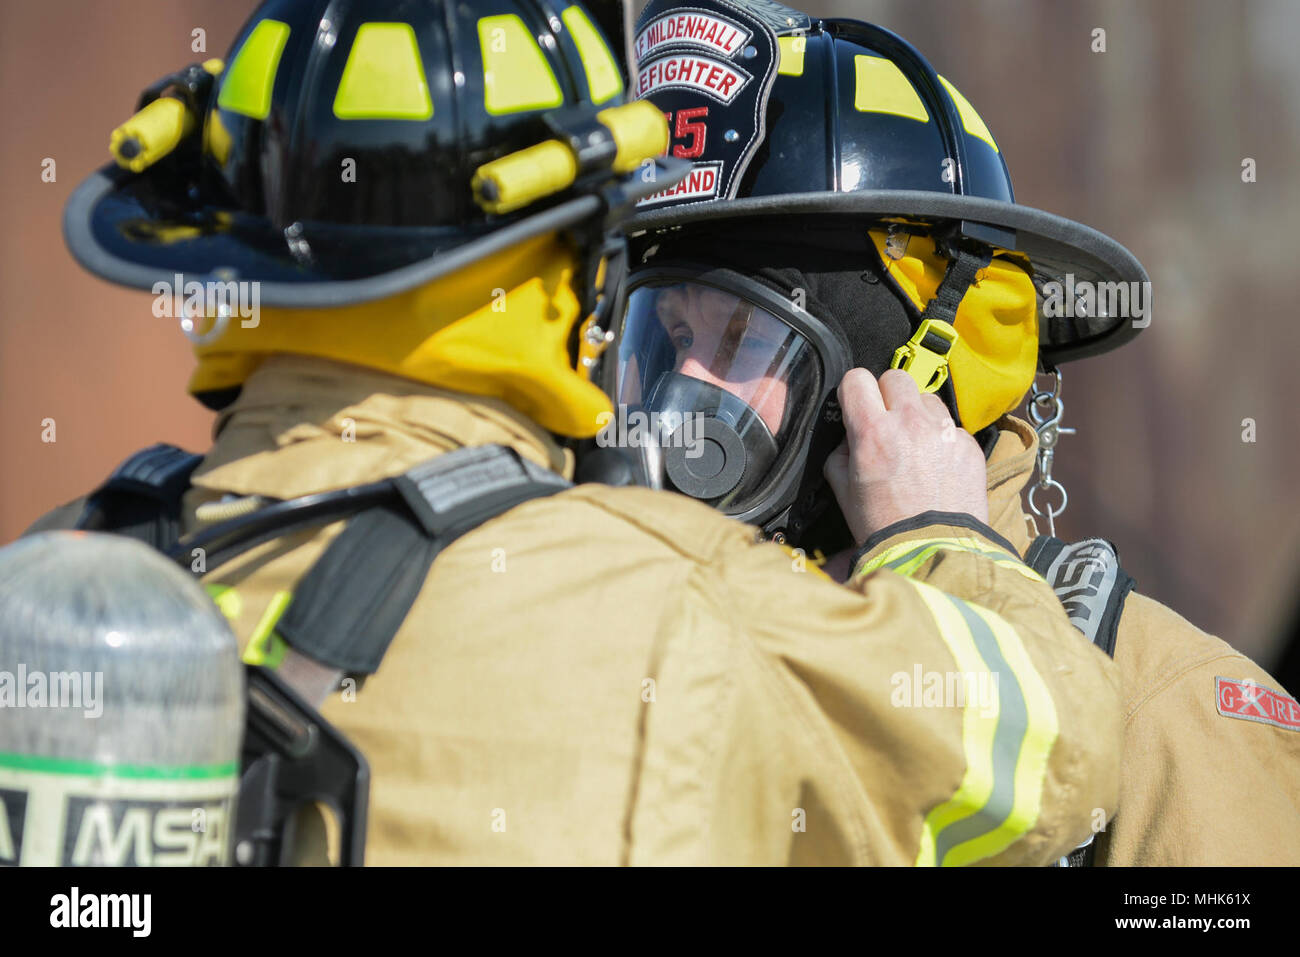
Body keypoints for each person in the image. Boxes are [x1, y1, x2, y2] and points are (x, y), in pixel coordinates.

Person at [22, 0, 1123, 866]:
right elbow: (1048, 755)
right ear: (570, 268)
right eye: (661, 321)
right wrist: (940, 536)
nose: (677, 385)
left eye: (730, 334)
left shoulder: (61, 571)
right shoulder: (679, 617)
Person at [611, 0, 1300, 865]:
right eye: (669, 338)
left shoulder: (1167, 705)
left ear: (916, 356)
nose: (685, 391)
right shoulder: (651, 657)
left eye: (737, 336)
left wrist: (934, 550)